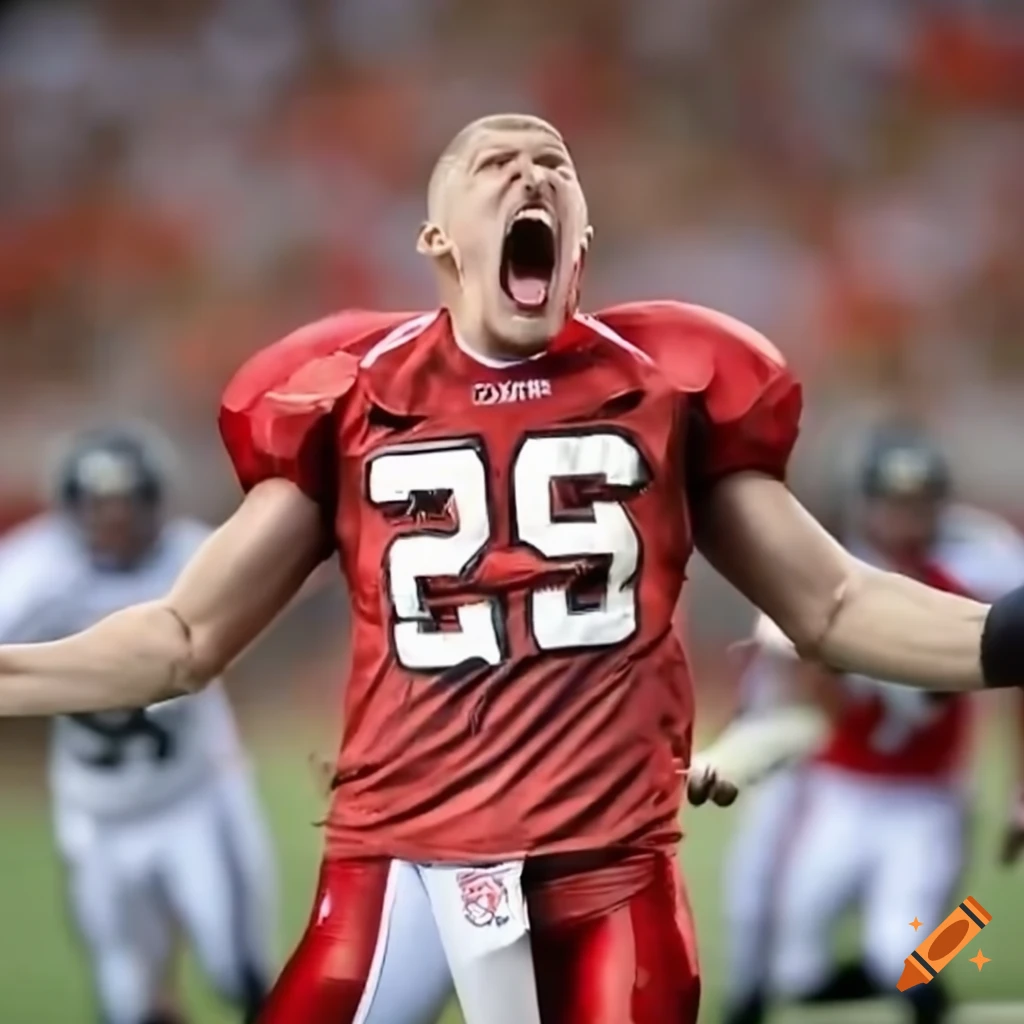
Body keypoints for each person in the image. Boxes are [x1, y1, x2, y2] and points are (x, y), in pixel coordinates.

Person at [0, 113, 1022, 1024]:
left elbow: (832, 603)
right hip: (400, 860)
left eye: (554, 164)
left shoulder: (665, 383)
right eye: (495, 164)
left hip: (607, 866)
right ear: (436, 238)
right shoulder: (349, 394)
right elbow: (183, 637)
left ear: (581, 237)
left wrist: (1005, 634)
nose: (531, 174)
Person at [705, 426, 1024, 1024]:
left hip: (929, 794)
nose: (906, 519)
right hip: (840, 787)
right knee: (791, 964)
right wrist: (760, 739)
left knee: (906, 957)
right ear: (866, 504)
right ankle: (757, 998)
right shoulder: (826, 571)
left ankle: (934, 977)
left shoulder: (982, 564)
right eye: (894, 502)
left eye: (920, 502)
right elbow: (780, 690)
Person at [0, 428, 276, 1024]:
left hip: (195, 793)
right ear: (71, 506)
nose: (115, 520)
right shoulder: (37, 567)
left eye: (128, 503)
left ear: (156, 500)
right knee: (126, 996)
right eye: (99, 505)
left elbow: (266, 605)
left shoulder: (191, 556)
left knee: (238, 967)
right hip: (97, 812)